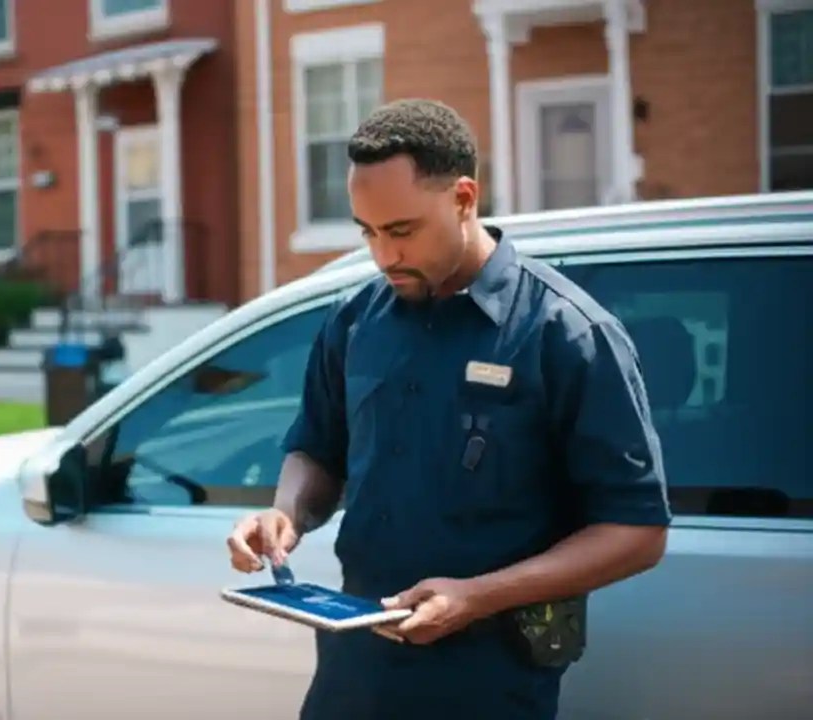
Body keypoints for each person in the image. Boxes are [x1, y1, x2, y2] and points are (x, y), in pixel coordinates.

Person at [225, 98, 672, 719]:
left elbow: (638, 532)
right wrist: (285, 515)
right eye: (367, 231)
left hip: (487, 685)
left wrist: (478, 597)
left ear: (464, 198)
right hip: (353, 678)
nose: (383, 255)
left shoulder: (565, 333)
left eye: (401, 230)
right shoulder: (356, 321)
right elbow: (319, 450)